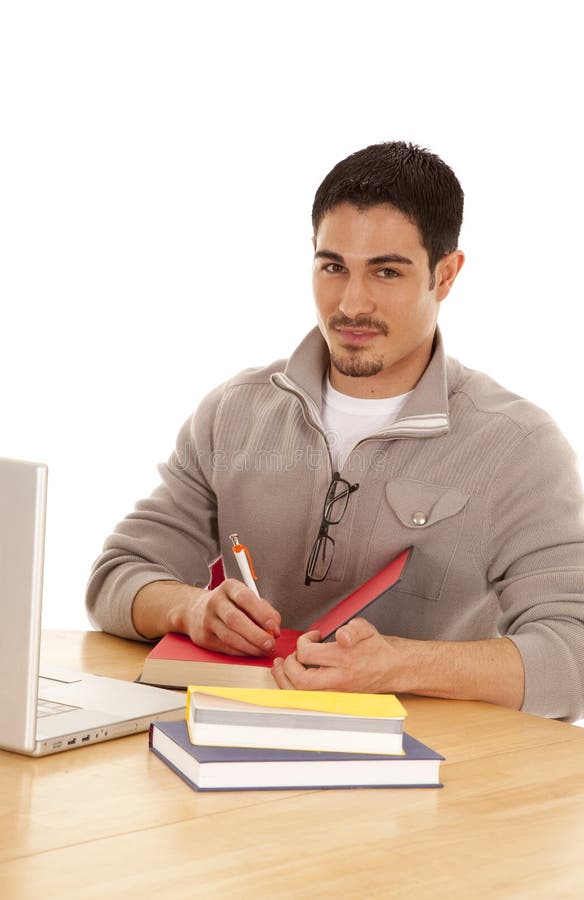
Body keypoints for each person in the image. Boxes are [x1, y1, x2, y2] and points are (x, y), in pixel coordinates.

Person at [86, 141, 584, 722]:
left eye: (387, 271)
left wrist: (399, 664)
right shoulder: (234, 411)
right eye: (333, 267)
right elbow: (117, 577)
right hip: (245, 746)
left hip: (437, 780)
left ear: (445, 275)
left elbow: (572, 655)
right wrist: (190, 609)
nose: (351, 303)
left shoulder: (517, 445)